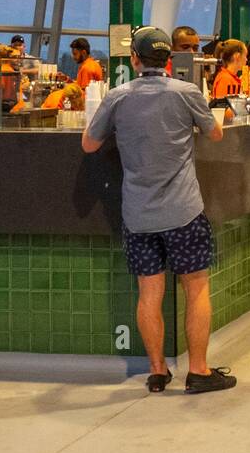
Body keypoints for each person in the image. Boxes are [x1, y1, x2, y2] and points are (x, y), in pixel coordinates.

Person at [82, 26, 232, 395]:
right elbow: (215, 134)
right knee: (196, 289)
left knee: (149, 293)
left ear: (134, 59)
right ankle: (197, 371)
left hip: (138, 213)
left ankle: (157, 371)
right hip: (184, 210)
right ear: (170, 60)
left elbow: (88, 144)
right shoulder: (187, 93)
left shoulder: (117, 97)